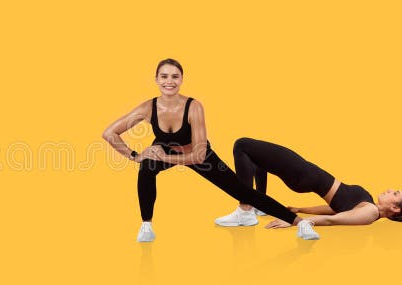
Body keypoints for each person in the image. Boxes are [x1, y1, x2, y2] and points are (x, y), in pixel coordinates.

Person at [102, 59, 319, 242]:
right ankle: (146, 225)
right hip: (166, 151)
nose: (170, 81)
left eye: (175, 77)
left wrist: (165, 156)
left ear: (181, 80)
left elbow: (198, 154)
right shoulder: (147, 108)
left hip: (197, 153)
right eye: (165, 76)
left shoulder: (194, 106)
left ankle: (300, 224)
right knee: (146, 167)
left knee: (243, 192)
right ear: (156, 80)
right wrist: (135, 156)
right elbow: (109, 133)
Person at [214, 137, 402, 234]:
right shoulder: (367, 204)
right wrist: (299, 209)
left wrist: (295, 221)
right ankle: (259, 205)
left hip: (303, 174)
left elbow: (333, 220)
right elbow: (335, 207)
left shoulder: (370, 212)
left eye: (395, 193)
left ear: (395, 208)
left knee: (242, 146)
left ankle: (245, 210)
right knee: (258, 159)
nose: (390, 189)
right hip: (305, 174)